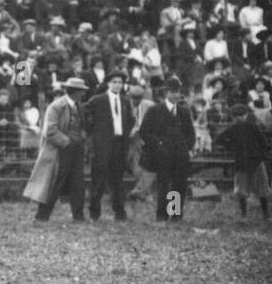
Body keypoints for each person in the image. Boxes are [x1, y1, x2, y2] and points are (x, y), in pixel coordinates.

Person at [24, 77, 88, 222]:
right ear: (73, 91)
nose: (83, 94)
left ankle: (79, 217)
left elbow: (81, 126)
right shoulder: (56, 106)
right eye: (80, 91)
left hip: (76, 150)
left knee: (78, 183)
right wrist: (67, 142)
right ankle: (42, 216)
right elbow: (50, 131)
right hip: (60, 151)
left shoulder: (79, 106)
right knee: (53, 183)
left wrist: (82, 137)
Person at [138, 76, 196, 222]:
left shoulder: (184, 112)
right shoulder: (154, 111)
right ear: (166, 93)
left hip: (180, 155)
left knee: (179, 184)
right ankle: (161, 215)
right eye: (174, 92)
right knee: (164, 184)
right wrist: (159, 144)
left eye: (179, 92)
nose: (177, 95)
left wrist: (185, 148)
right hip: (162, 155)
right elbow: (145, 132)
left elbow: (191, 134)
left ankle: (175, 214)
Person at [84, 70, 132, 221]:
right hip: (103, 144)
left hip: (119, 144)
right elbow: (85, 114)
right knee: (99, 178)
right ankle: (94, 211)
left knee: (118, 179)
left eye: (120, 82)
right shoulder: (98, 99)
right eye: (115, 82)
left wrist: (125, 133)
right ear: (108, 83)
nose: (118, 85)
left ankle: (119, 211)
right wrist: (95, 132)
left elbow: (131, 119)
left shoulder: (125, 101)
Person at [214, 104, 272, 219]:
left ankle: (265, 214)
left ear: (245, 115)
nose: (238, 118)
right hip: (243, 162)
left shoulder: (252, 127)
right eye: (236, 116)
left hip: (254, 161)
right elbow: (219, 139)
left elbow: (264, 143)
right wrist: (232, 146)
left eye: (240, 115)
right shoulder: (234, 128)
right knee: (242, 190)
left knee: (261, 188)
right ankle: (244, 215)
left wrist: (260, 156)